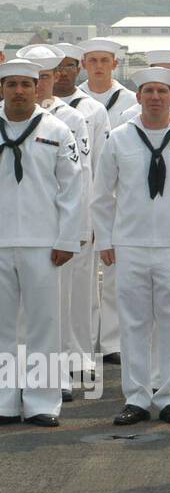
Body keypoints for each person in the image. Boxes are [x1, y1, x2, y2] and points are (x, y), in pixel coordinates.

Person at [92, 67, 170, 426]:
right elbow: (102, 194)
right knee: (133, 323)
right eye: (148, 91)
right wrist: (105, 238)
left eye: (162, 91)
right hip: (130, 243)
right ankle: (135, 396)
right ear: (138, 97)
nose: (155, 97)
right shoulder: (120, 137)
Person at [0, 59, 83, 426]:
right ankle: (4, 400)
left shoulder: (58, 129)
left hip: (43, 243)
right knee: (2, 327)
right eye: (11, 84)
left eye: (25, 84)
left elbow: (71, 189)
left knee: (43, 325)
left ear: (37, 89)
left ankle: (42, 402)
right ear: (2, 89)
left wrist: (67, 238)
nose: (19, 91)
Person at [19, 45, 94, 401]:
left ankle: (50, 388)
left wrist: (74, 232)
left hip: (49, 235)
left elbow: (77, 181)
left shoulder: (65, 122)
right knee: (13, 323)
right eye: (12, 83)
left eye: (42, 78)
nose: (22, 90)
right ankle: (12, 389)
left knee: (53, 316)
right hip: (10, 236)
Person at [49, 43, 109, 384]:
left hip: (83, 213)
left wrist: (99, 217)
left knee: (84, 291)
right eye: (56, 68)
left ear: (78, 69)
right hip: (42, 218)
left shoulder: (91, 110)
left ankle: (82, 355)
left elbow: (98, 168)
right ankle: (48, 360)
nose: (63, 72)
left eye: (69, 66)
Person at [79, 37, 133, 366]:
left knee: (113, 271)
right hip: (85, 194)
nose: (98, 66)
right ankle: (85, 338)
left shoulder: (130, 99)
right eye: (92, 60)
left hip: (119, 194)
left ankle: (113, 339)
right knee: (83, 275)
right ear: (84, 64)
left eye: (104, 60)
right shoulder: (75, 101)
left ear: (115, 63)